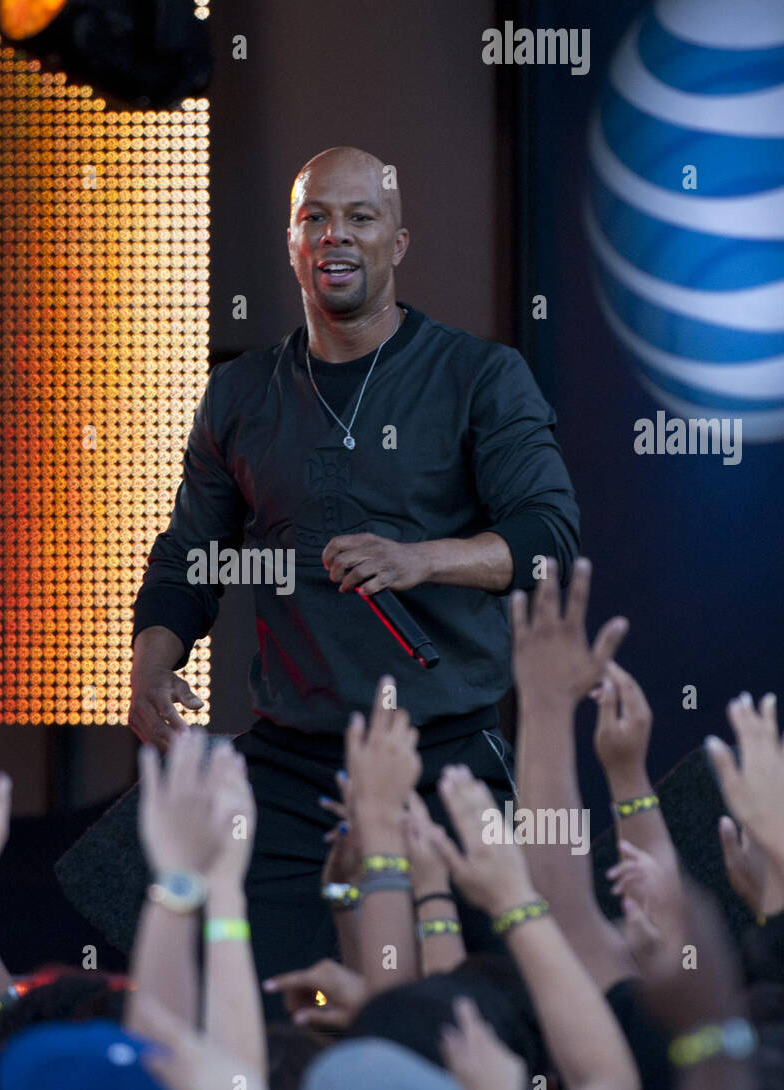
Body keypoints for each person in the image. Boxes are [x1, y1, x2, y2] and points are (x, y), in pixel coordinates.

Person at [127, 145, 581, 996]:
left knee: (465, 1010)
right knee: (268, 1003)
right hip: (292, 764)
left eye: (360, 217)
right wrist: (154, 661)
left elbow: (549, 539)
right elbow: (191, 550)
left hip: (443, 756)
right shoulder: (240, 393)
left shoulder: (479, 376)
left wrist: (421, 559)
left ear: (398, 243)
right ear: (293, 243)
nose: (336, 235)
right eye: (315, 218)